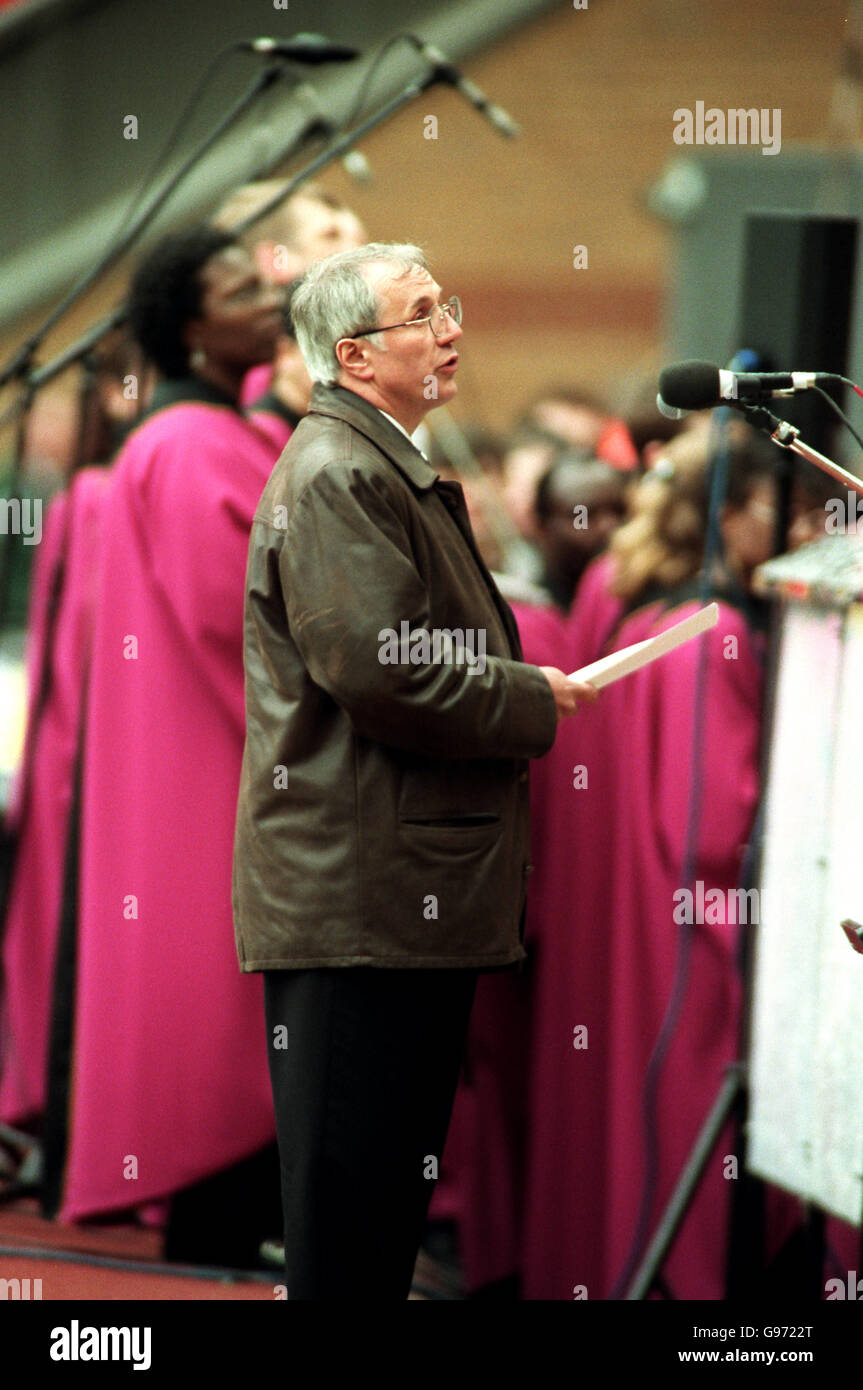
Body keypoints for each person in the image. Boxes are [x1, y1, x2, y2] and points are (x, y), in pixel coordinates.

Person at [232, 241, 599, 1300]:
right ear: (353, 356)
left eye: (447, 303)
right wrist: (531, 696)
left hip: (391, 894)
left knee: (373, 1219)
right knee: (350, 1234)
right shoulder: (343, 472)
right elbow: (383, 672)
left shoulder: (372, 459)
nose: (451, 331)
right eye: (421, 315)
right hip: (363, 902)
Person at [51, 227, 288, 1267]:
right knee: (224, 1048)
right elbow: (234, 624)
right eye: (237, 283)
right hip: (220, 779)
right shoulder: (192, 442)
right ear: (189, 324)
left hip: (212, 772)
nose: (265, 292)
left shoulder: (210, 433)